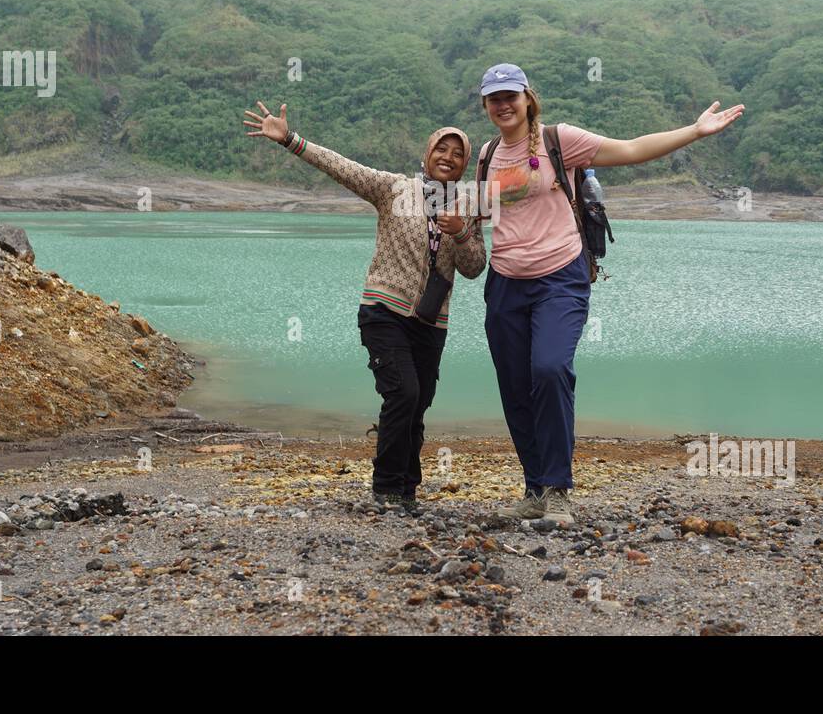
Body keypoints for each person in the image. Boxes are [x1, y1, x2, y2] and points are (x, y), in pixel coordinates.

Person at [473, 63, 744, 524]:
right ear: (485, 105)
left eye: (511, 96)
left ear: (527, 98)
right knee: (515, 387)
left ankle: (558, 491)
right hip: (504, 283)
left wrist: (695, 132)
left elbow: (633, 150)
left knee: (551, 368)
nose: (503, 105)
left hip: (560, 276)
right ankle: (534, 489)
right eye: (494, 98)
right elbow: (481, 213)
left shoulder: (560, 140)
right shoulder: (486, 155)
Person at [244, 102, 485, 509]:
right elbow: (342, 167)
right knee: (403, 394)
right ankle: (387, 487)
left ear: (465, 164)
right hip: (383, 311)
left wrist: (461, 233)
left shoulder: (467, 207)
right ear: (427, 154)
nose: (448, 157)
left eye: (458, 153)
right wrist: (289, 139)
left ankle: (407, 488)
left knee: (419, 402)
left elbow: (475, 266)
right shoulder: (393, 188)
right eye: (441, 150)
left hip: (432, 321)